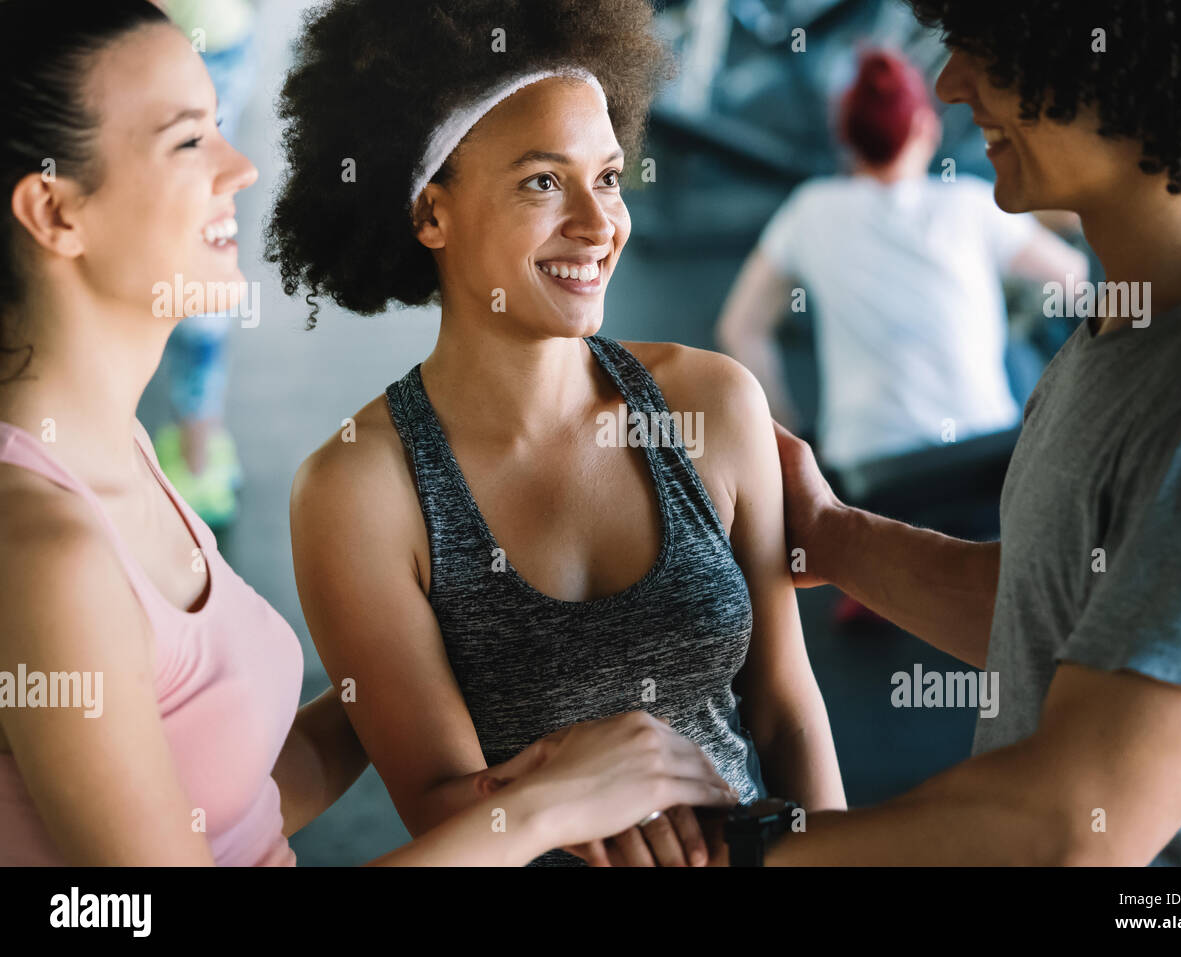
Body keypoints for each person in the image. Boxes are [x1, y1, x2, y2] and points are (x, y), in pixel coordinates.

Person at [0, 0, 738, 866]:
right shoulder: (44, 549)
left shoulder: (112, 449)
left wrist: (446, 648)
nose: (239, 168)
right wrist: (543, 808)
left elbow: (239, 796)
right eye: (189, 140)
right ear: (55, 212)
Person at [710, 0, 1181, 866]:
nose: (950, 85)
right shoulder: (1140, 323)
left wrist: (747, 852)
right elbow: (1065, 612)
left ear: (1121, 54)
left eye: (993, 52)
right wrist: (834, 535)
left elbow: (1064, 828)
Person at [273, 0, 846, 866]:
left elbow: (786, 706)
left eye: (608, 177)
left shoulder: (714, 403)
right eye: (543, 181)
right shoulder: (359, 490)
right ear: (431, 214)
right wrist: (571, 797)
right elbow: (435, 795)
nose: (597, 222)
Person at [717, 48, 1086, 501]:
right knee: (1016, 360)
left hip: (871, 473)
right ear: (924, 127)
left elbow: (740, 329)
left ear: (846, 137)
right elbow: (1075, 280)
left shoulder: (810, 209)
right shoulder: (969, 204)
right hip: (986, 459)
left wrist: (790, 435)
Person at [148, 0, 260, 526]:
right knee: (196, 233)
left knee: (192, 238)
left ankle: (197, 457)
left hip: (174, 41)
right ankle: (199, 450)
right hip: (214, 33)